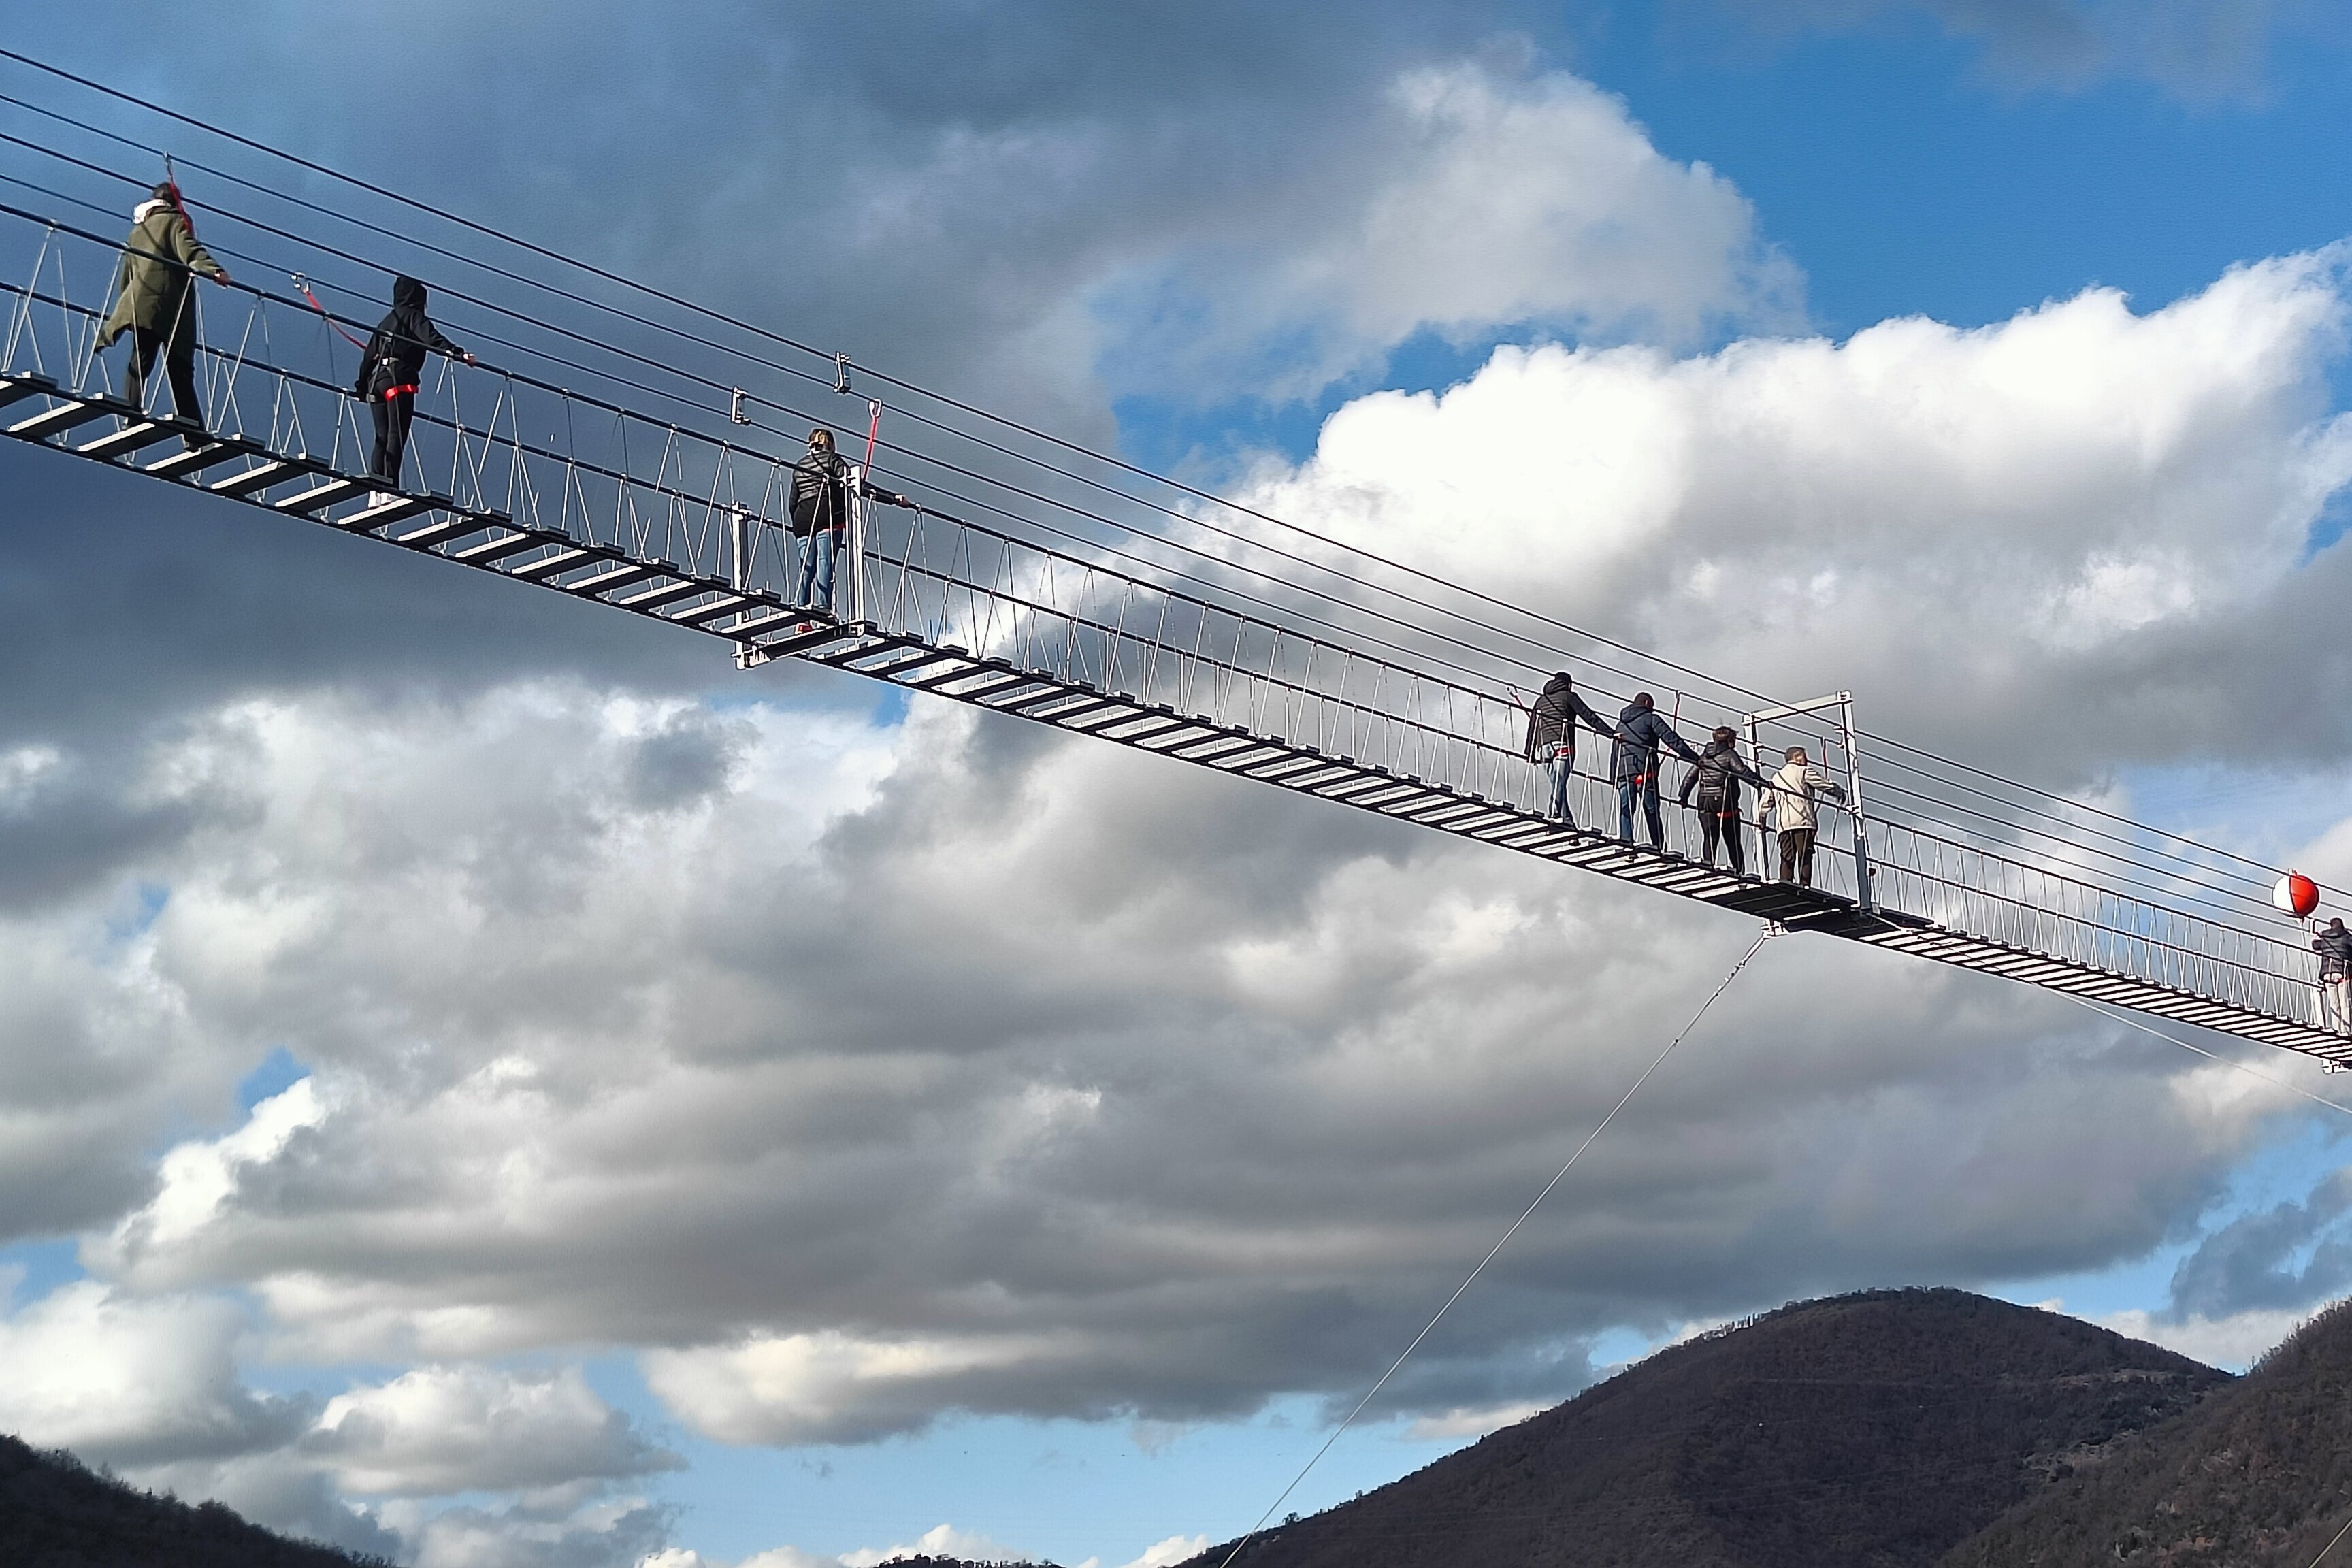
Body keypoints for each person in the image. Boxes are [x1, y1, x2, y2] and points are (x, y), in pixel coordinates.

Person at [95, 182, 231, 450]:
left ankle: (131, 415)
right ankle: (193, 432)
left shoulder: (138, 232)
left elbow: (128, 274)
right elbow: (188, 250)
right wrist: (214, 271)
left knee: (141, 358)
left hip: (141, 303)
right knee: (179, 368)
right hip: (170, 307)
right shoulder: (173, 222)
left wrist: (127, 305)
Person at [353, 276, 476, 490]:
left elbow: (368, 357)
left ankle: (376, 488)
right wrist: (459, 354)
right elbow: (432, 339)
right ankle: (390, 486)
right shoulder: (414, 317)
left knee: (381, 436)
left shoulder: (386, 321)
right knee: (396, 434)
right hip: (398, 379)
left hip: (377, 381)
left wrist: (361, 387)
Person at [789, 427, 915, 614]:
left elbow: (792, 502)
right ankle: (823, 606)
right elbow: (858, 485)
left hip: (803, 519)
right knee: (825, 561)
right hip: (827, 513)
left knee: (806, 566)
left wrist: (798, 524)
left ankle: (801, 614)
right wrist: (893, 499)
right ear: (830, 444)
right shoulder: (833, 460)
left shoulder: (799, 466)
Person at [1521, 672, 1617, 828]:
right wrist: (1610, 733)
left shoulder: (1540, 700)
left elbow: (1533, 726)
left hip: (1544, 748)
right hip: (1563, 745)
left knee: (1557, 785)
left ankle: (1568, 823)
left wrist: (1530, 753)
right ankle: (1553, 816)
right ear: (1569, 684)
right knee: (1559, 784)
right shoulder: (1569, 696)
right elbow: (1589, 716)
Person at [1610, 693, 1699, 849]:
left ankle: (1626, 843)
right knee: (1651, 809)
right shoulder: (1651, 718)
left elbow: (1615, 749)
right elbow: (1671, 739)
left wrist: (1614, 777)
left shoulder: (1621, 724)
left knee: (1627, 808)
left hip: (1623, 772)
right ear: (1647, 703)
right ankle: (1658, 846)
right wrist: (1694, 758)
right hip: (1644, 772)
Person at [1677, 727, 1769, 875]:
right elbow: (1742, 771)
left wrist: (1683, 797)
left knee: (1710, 837)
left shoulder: (1704, 756)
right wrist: (1761, 783)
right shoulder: (1729, 755)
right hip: (1726, 803)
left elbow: (1691, 777)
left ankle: (1708, 867)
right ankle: (1739, 872)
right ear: (1730, 740)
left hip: (1705, 802)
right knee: (1733, 841)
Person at [1767, 745, 1848, 887]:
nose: (1808, 760)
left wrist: (1761, 818)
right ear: (1798, 758)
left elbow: (1766, 802)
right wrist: (1838, 791)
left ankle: (1786, 883)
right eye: (1805, 757)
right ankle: (1805, 885)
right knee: (1805, 855)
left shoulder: (1776, 777)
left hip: (1783, 824)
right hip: (1803, 821)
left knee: (1787, 857)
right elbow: (1823, 784)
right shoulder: (1804, 771)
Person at [2316, 917, 2352, 1036]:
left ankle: (2337, 1031)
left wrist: (2318, 936)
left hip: (2328, 974)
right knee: (2345, 1004)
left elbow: (2315, 945)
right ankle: (2346, 1031)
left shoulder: (2325, 937)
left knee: (2334, 1005)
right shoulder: (2347, 936)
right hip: (2343, 973)